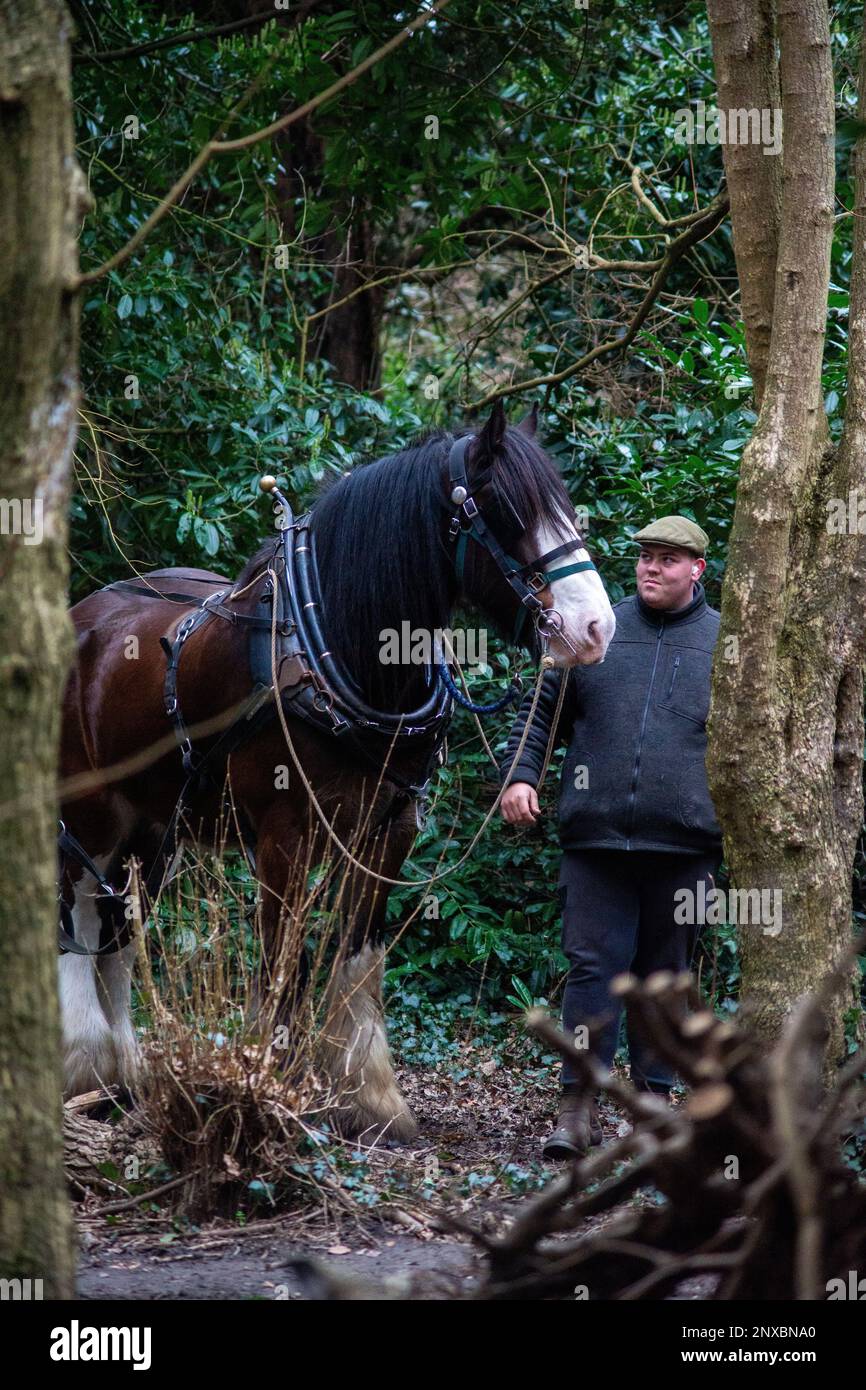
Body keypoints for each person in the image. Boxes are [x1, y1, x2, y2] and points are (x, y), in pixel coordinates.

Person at [499, 516, 723, 1160]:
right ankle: (577, 1110)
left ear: (696, 570)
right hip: (595, 842)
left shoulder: (725, 642)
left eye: (667, 560)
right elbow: (541, 710)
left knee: (666, 978)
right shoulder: (595, 630)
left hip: (687, 847)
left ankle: (653, 1108)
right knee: (593, 971)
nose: (651, 568)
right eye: (645, 557)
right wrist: (519, 776)